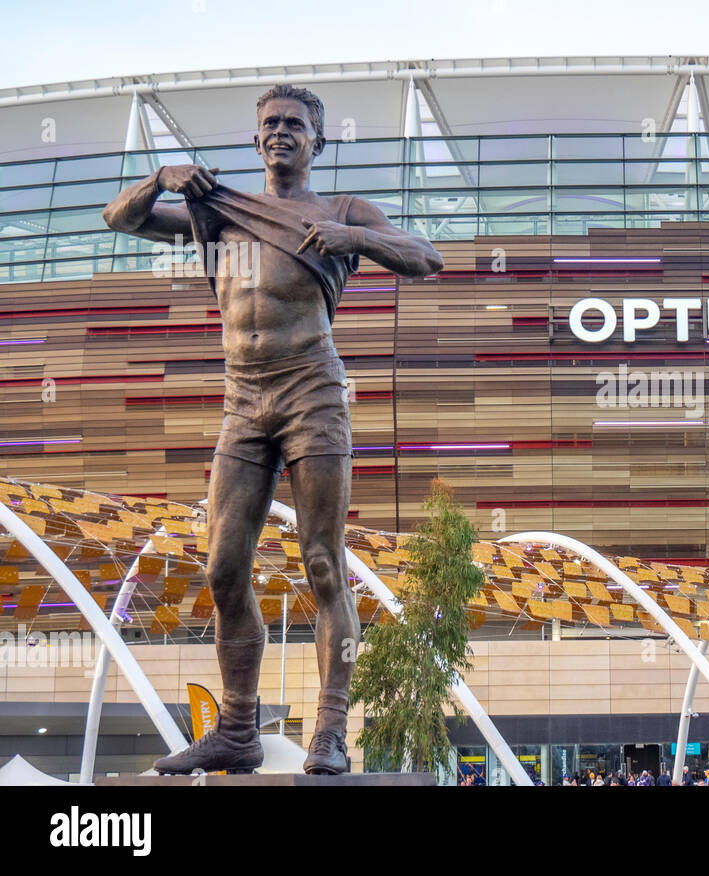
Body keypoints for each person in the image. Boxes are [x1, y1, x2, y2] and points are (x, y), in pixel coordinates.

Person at [106, 84, 445, 776]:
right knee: (224, 568)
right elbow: (121, 219)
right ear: (256, 138)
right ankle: (237, 730)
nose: (281, 132)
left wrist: (359, 239)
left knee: (323, 563)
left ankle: (329, 732)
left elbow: (426, 256)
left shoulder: (341, 210)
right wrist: (158, 177)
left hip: (313, 392)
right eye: (270, 123)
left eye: (295, 124)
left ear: (318, 141)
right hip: (242, 401)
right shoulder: (220, 209)